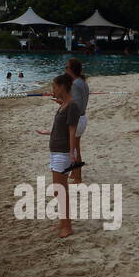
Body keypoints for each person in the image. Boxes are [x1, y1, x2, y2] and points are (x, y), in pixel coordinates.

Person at [46, 74, 79, 238]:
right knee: (58, 190)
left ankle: (68, 226)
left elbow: (72, 131)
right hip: (56, 152)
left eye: (54, 86)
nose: (53, 90)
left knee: (61, 190)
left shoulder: (72, 105)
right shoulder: (64, 105)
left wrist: (72, 153)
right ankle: (63, 222)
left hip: (63, 153)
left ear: (62, 87)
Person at [66, 58, 89, 180]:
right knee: (76, 148)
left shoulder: (75, 84)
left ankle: (78, 177)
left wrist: (62, 103)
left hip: (78, 119)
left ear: (71, 69)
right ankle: (75, 173)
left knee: (74, 150)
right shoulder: (82, 82)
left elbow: (75, 106)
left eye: (66, 68)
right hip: (82, 118)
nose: (65, 70)